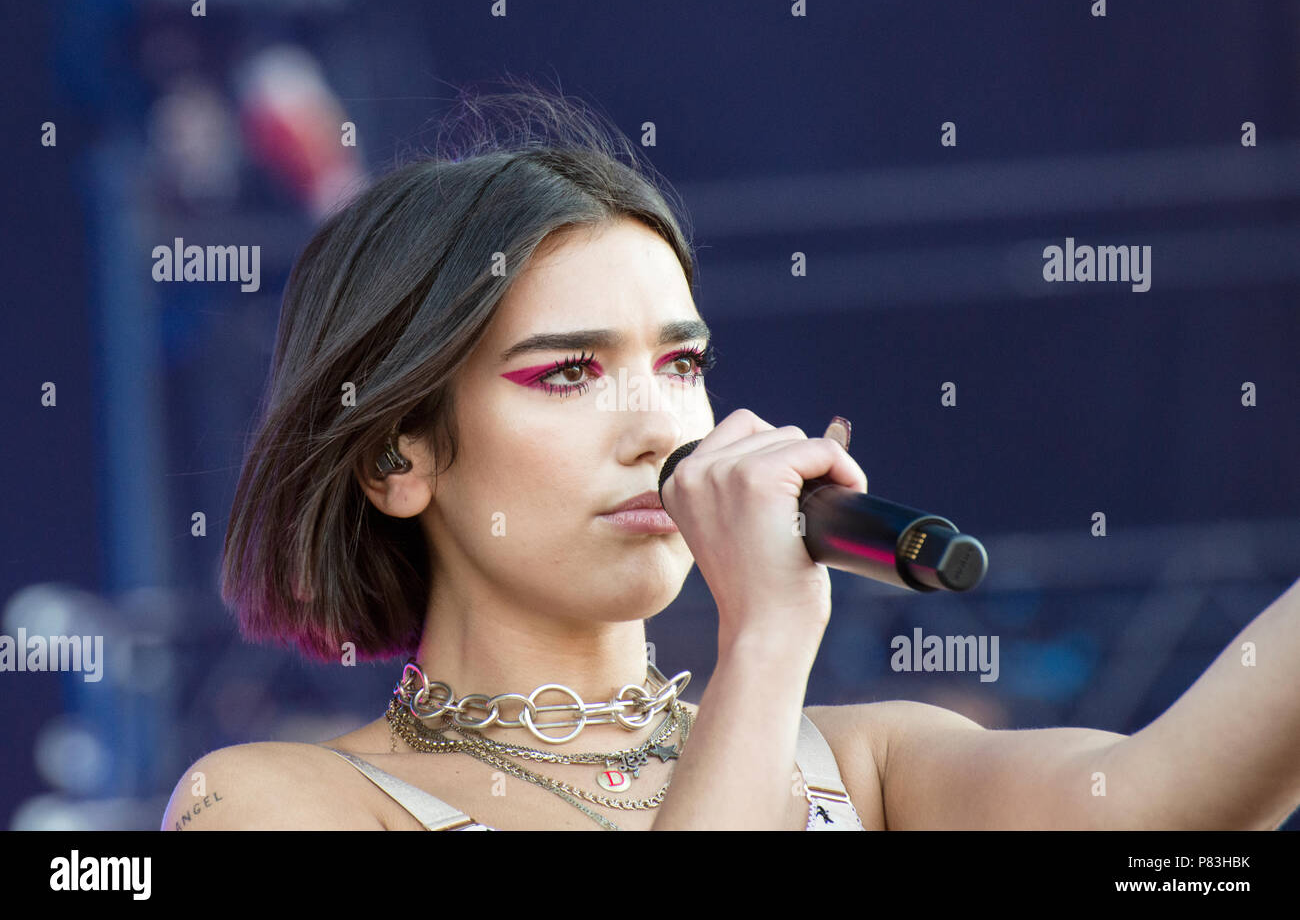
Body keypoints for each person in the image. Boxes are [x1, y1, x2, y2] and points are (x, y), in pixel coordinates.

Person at [162, 80, 1300, 831]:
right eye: (569, 371)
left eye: (681, 363)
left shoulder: (871, 765)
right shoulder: (273, 800)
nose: (661, 424)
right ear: (396, 459)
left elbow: (1177, 805)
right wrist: (763, 639)